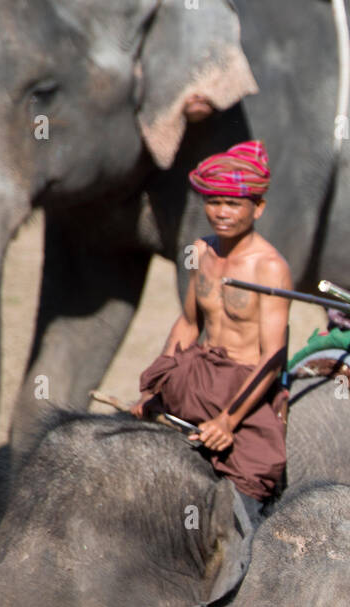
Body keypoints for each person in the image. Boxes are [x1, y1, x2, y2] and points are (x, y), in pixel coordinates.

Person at [133, 140, 292, 513]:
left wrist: (227, 420)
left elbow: (273, 354)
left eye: (233, 204)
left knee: (250, 488)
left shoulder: (269, 267)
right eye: (213, 202)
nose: (221, 213)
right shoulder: (201, 252)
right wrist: (156, 388)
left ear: (258, 207)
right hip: (199, 372)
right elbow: (188, 324)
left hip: (245, 385)